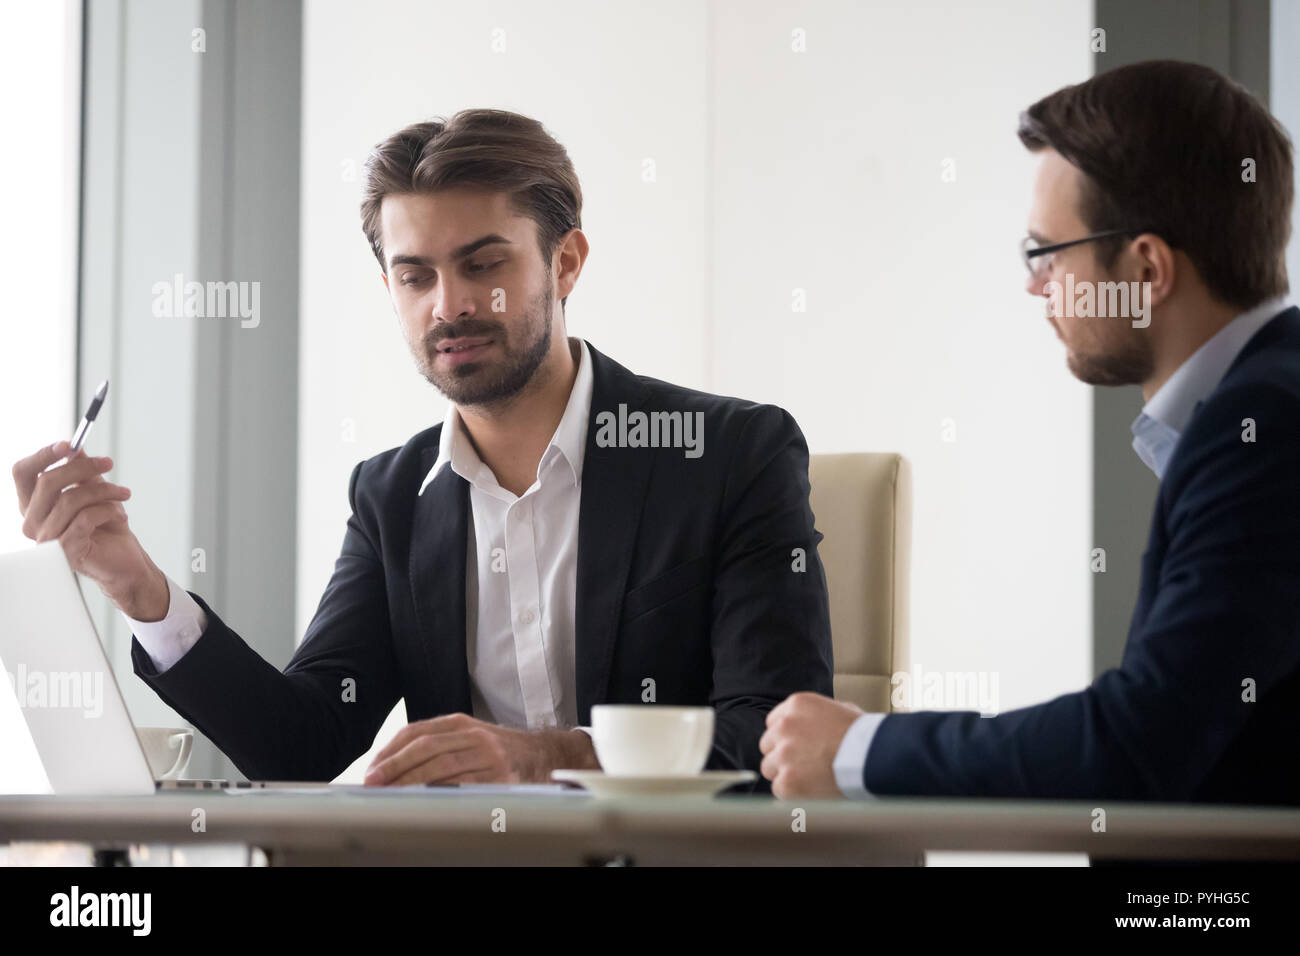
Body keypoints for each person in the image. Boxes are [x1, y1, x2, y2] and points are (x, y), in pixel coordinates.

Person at [12, 109, 833, 789]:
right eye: (416, 277)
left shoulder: (729, 454)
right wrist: (140, 589)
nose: (451, 305)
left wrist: (542, 756)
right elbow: (302, 745)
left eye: (483, 265)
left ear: (567, 262)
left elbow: (776, 736)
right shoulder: (391, 496)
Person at [761, 60, 1300, 806]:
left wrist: (859, 748)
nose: (1034, 284)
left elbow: (1138, 742)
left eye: (1046, 253)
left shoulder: (1264, 430)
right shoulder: (1259, 406)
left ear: (1145, 268)